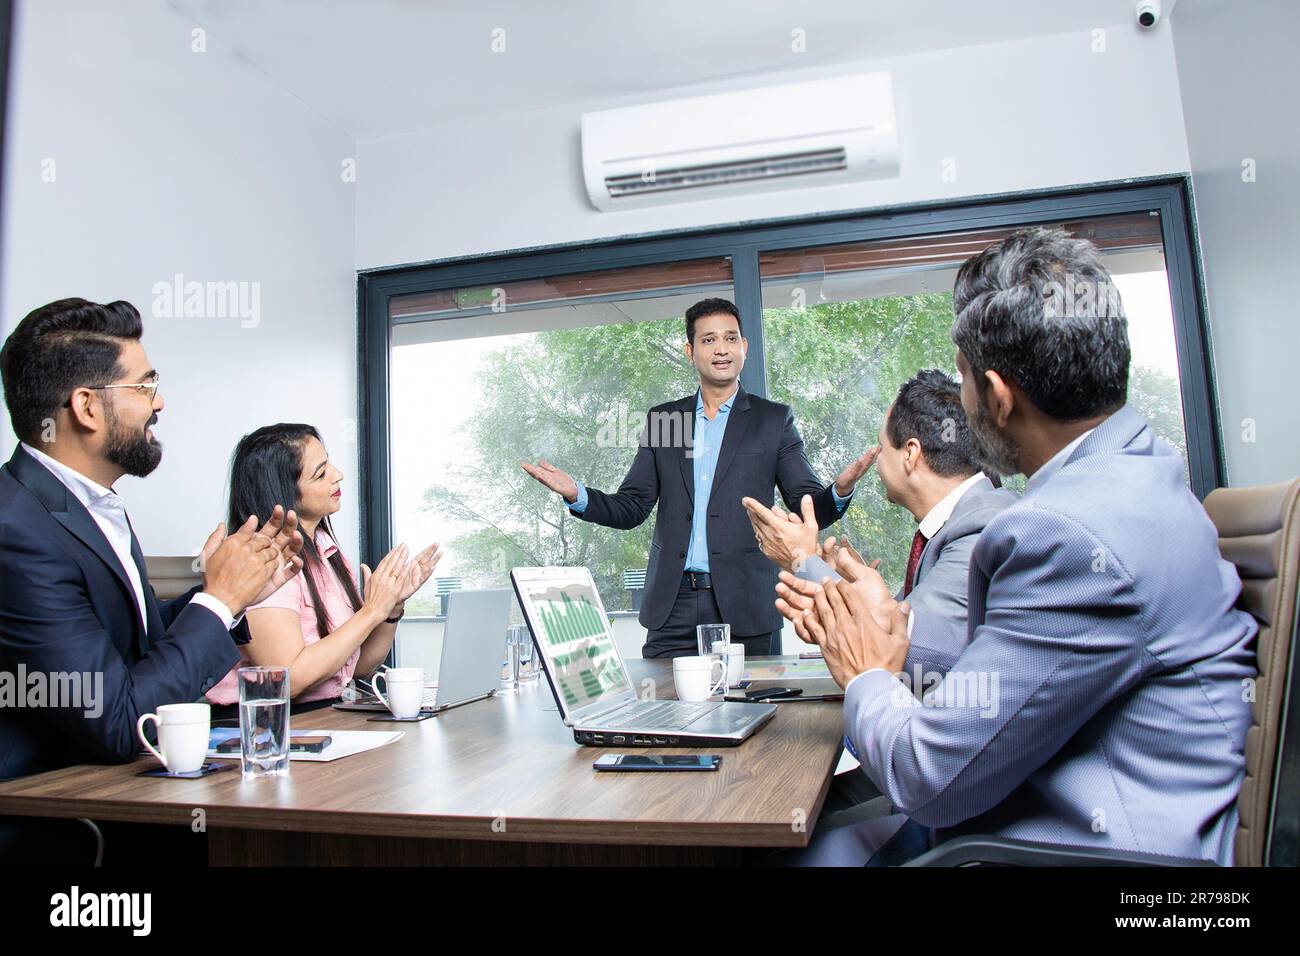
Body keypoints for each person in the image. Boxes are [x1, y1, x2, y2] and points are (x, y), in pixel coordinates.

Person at [775, 228, 1256, 865]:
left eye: (966, 381)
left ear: (998, 397)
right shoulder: (1141, 470)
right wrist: (899, 622)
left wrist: (865, 671)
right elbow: (1024, 654)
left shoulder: (1067, 533)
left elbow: (928, 778)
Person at [0, 298, 304, 862]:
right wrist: (217, 598)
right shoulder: (15, 530)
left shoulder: (85, 506)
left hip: (127, 805)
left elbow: (125, 646)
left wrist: (233, 597)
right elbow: (120, 722)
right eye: (144, 386)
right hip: (67, 836)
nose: (159, 401)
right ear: (87, 406)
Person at [522, 297, 874, 659]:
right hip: (672, 606)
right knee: (664, 709)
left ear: (744, 347)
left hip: (746, 607)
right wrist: (576, 493)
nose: (721, 349)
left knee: (753, 712)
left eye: (730, 338)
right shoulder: (665, 421)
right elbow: (632, 507)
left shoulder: (773, 420)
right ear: (690, 351)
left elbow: (806, 508)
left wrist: (839, 490)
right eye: (708, 340)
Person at [744, 368, 1013, 811]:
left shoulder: (982, 526)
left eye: (882, 445)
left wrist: (803, 561)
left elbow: (914, 648)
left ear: (911, 454)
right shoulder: (962, 521)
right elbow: (925, 627)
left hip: (944, 791)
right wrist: (846, 587)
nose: (877, 460)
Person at [206, 424, 442, 706]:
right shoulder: (264, 559)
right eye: (321, 474)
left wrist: (390, 609)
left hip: (323, 715)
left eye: (329, 463)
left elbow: (356, 667)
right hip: (270, 726)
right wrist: (370, 611)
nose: (338, 475)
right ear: (284, 491)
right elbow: (287, 679)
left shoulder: (326, 551)